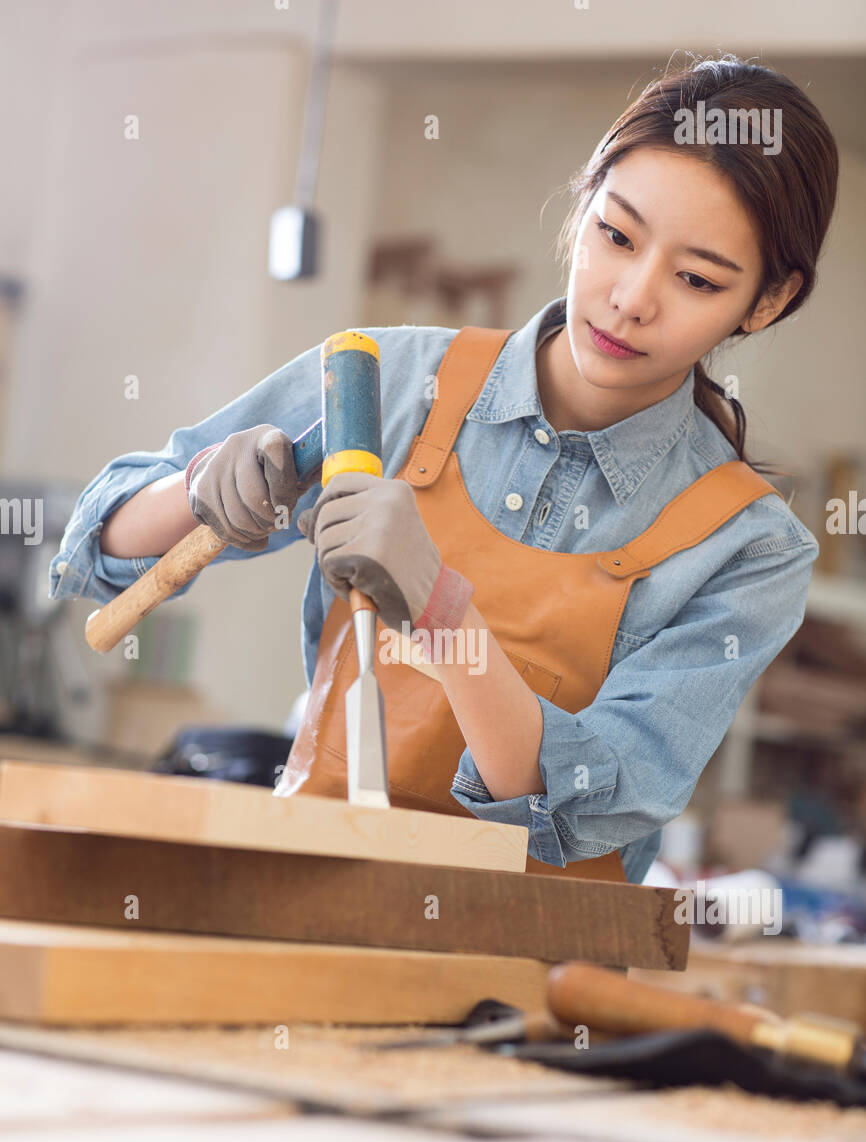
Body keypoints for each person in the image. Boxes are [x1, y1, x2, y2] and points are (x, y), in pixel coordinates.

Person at [51, 55, 838, 885]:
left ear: (767, 301)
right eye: (616, 235)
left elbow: (578, 811)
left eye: (695, 279)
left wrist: (442, 609)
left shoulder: (749, 549)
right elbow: (100, 550)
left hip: (528, 978)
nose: (631, 297)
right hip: (300, 901)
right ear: (583, 206)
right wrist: (202, 489)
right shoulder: (387, 383)